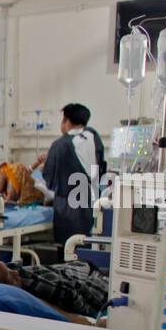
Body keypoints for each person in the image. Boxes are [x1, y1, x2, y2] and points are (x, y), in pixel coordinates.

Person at [0, 258, 107, 324]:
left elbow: (74, 299)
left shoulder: (35, 284)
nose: (14, 272)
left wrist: (89, 321)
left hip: (82, 274)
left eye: (9, 268)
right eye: (9, 276)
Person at [41, 103, 106, 249]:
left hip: (69, 209)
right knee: (90, 249)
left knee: (69, 252)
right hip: (92, 202)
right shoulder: (94, 137)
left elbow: (49, 180)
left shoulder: (59, 146)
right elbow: (101, 167)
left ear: (66, 120)